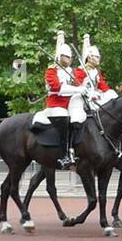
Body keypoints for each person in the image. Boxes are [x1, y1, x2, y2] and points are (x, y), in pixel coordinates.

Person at [44, 31, 86, 169]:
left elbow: (78, 84)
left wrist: (83, 89)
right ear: (60, 56)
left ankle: (77, 149)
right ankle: (63, 155)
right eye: (65, 56)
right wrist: (77, 89)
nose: (68, 59)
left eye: (69, 57)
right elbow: (58, 87)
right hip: (56, 104)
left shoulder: (72, 72)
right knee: (64, 120)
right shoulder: (51, 71)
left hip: (70, 103)